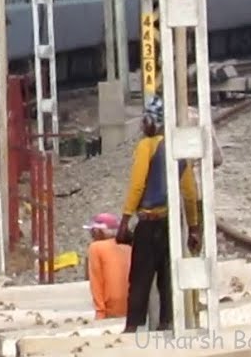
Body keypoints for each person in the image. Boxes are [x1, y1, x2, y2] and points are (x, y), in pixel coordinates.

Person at [115, 95, 201, 333]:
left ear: (153, 122)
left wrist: (125, 219)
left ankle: (132, 329)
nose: (143, 126)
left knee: (140, 279)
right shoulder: (177, 147)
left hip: (148, 222)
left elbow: (137, 185)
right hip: (170, 224)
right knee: (167, 278)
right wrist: (193, 226)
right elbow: (189, 191)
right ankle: (166, 324)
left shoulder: (146, 146)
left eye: (146, 121)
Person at [84, 213, 131, 320]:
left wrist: (100, 312)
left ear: (99, 231)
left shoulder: (96, 248)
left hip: (111, 308)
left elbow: (97, 282)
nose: (91, 235)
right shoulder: (128, 247)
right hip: (130, 307)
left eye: (92, 231)